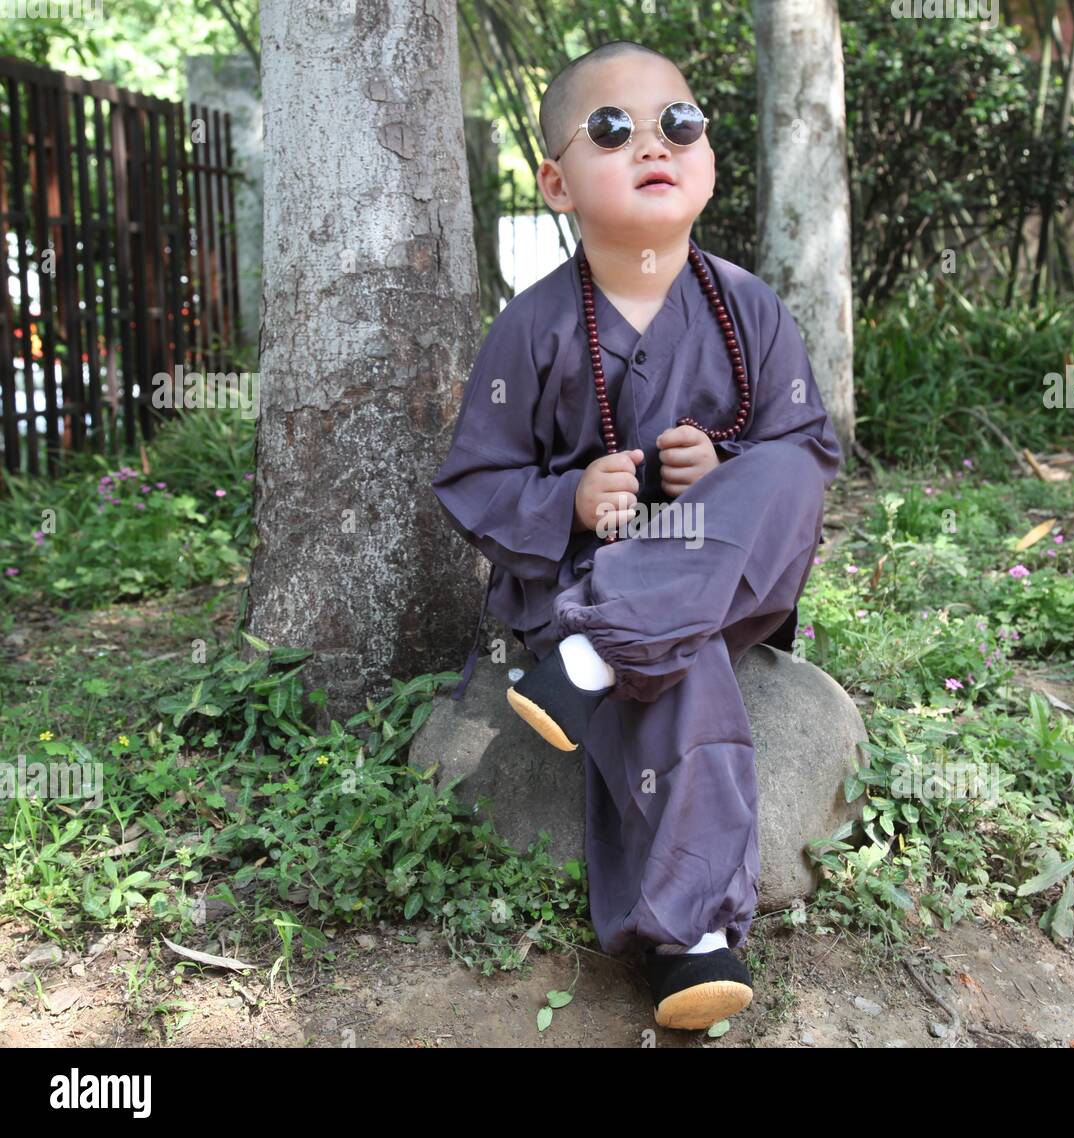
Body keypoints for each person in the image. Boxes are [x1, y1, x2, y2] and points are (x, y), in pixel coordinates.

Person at [432, 39, 842, 1031]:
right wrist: (571, 495)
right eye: (612, 128)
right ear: (556, 182)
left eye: (680, 124)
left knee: (785, 466)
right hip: (581, 573)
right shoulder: (531, 328)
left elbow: (804, 450)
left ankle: (595, 654)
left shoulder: (748, 309)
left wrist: (729, 466)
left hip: (721, 572)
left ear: (706, 155)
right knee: (679, 662)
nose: (652, 142)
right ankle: (690, 938)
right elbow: (475, 477)